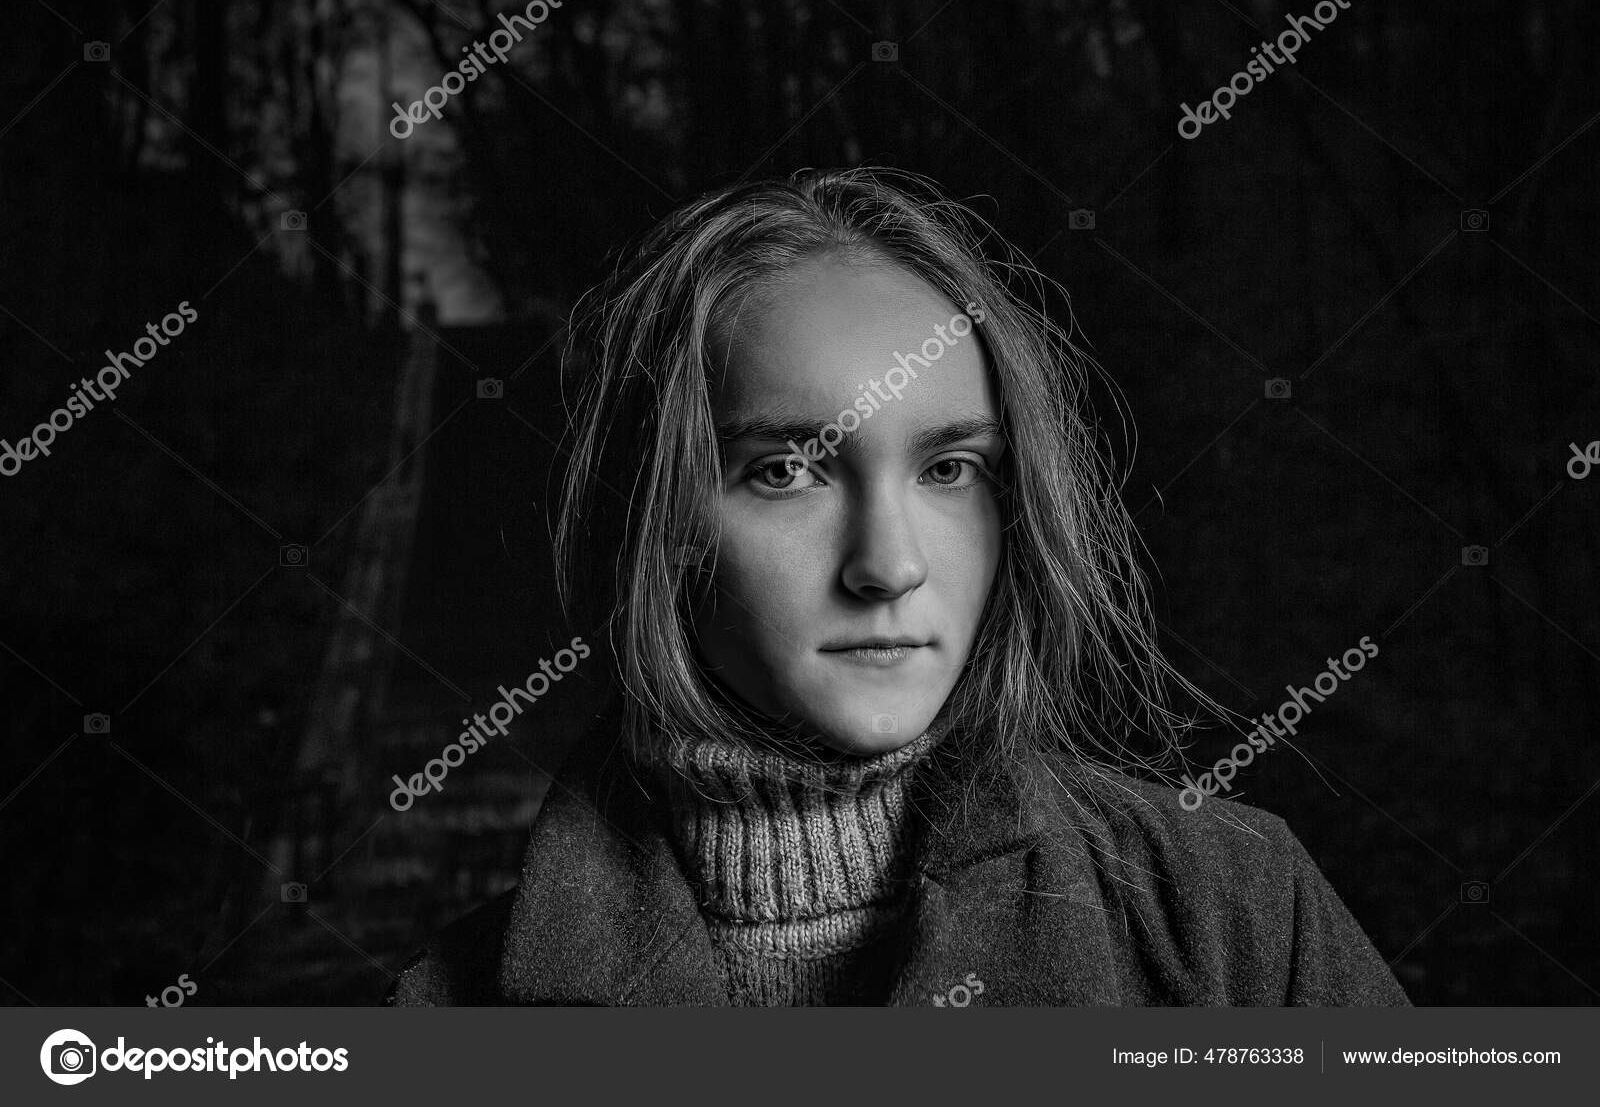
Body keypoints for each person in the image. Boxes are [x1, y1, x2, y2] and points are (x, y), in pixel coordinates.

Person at [386, 167, 1409, 1007]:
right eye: (785, 470)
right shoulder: (444, 1016)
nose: (888, 565)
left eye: (948, 468)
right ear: (656, 520)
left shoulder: (1235, 916)